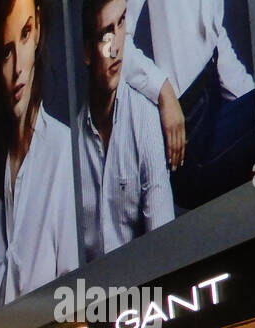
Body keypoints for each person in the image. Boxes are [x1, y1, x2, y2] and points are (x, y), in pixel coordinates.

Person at [0, 0, 79, 306]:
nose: (17, 69)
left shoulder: (62, 150)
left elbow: (72, 278)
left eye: (25, 34)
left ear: (37, 29)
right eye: (4, 53)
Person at [120, 0, 255, 211]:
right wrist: (163, 91)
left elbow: (215, 40)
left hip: (214, 122)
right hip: (186, 146)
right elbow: (114, 43)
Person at [77, 0, 175, 264]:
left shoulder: (144, 117)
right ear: (86, 52)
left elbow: (162, 240)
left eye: (120, 24)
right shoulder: (71, 144)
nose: (116, 48)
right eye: (104, 36)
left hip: (143, 292)